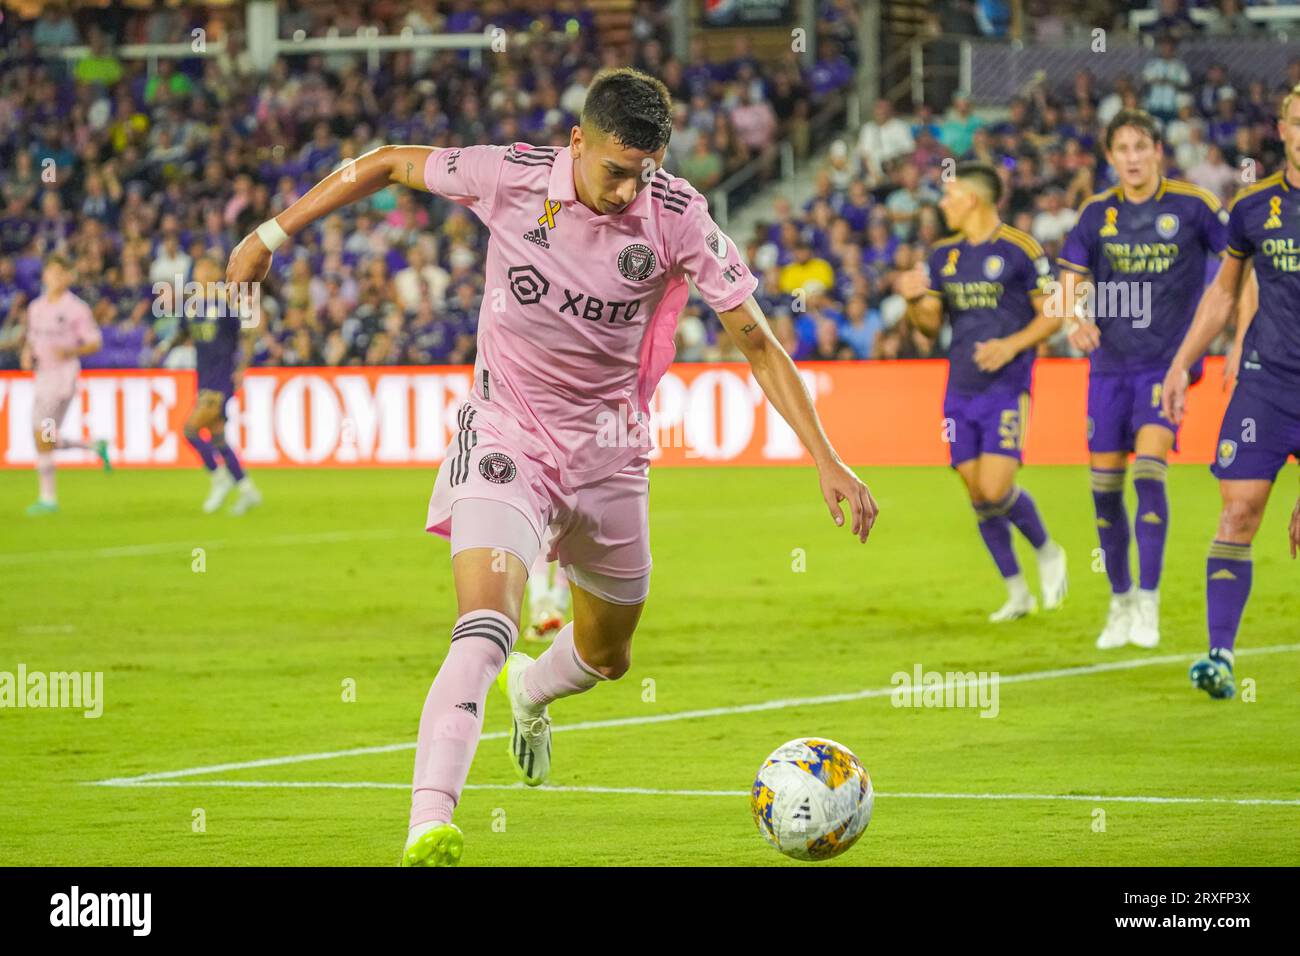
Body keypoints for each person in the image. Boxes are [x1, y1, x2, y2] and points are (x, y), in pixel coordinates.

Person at [223, 67, 878, 867]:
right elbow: (390, 160)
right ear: (577, 143)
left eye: (647, 170)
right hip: (507, 439)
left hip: (610, 455)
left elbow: (756, 341)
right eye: (616, 169)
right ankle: (429, 822)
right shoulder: (510, 176)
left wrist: (827, 458)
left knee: (609, 656)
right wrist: (269, 236)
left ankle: (531, 693)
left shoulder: (678, 217)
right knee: (486, 623)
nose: (631, 187)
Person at [1057, 109, 1229, 649]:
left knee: (1149, 474)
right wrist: (1073, 318)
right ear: (1110, 157)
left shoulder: (1194, 207)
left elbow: (1236, 267)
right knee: (1104, 492)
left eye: (1141, 146)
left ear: (1158, 149)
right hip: (1109, 370)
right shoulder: (1095, 215)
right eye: (1122, 149)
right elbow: (1067, 284)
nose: (1132, 157)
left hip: (1165, 365)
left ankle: (1149, 603)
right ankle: (1121, 600)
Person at [1160, 84, 1300, 700]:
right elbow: (1222, 293)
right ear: (1282, 128)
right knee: (1239, 509)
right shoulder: (1254, 207)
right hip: (1267, 384)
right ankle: (1219, 654)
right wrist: (1181, 365)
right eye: (1299, 121)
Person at [898, 162, 1068, 622]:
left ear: (971, 198)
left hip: (1007, 387)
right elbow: (929, 329)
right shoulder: (942, 256)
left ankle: (1048, 550)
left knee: (996, 487)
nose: (943, 204)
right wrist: (914, 298)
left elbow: (1054, 314)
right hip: (959, 390)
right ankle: (1017, 592)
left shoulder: (1020, 248)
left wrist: (1011, 345)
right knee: (977, 494)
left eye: (949, 195)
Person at [159, 256, 260, 515]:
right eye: (199, 267)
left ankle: (219, 476)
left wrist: (241, 367)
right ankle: (247, 490)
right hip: (203, 377)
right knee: (218, 439)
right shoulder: (191, 305)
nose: (201, 272)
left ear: (217, 272)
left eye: (207, 268)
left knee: (190, 430)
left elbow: (249, 332)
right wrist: (162, 348)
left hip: (222, 377)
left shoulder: (228, 300)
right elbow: (183, 333)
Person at [19, 255, 110, 515]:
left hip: (63, 378)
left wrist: (69, 350)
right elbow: (32, 338)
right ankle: (93, 446)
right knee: (45, 437)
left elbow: (95, 342)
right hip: (42, 376)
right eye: (52, 273)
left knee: (40, 433)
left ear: (69, 277)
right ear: (45, 275)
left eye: (62, 273)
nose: (56, 278)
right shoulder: (36, 307)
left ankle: (48, 498)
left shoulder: (76, 308)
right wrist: (27, 353)